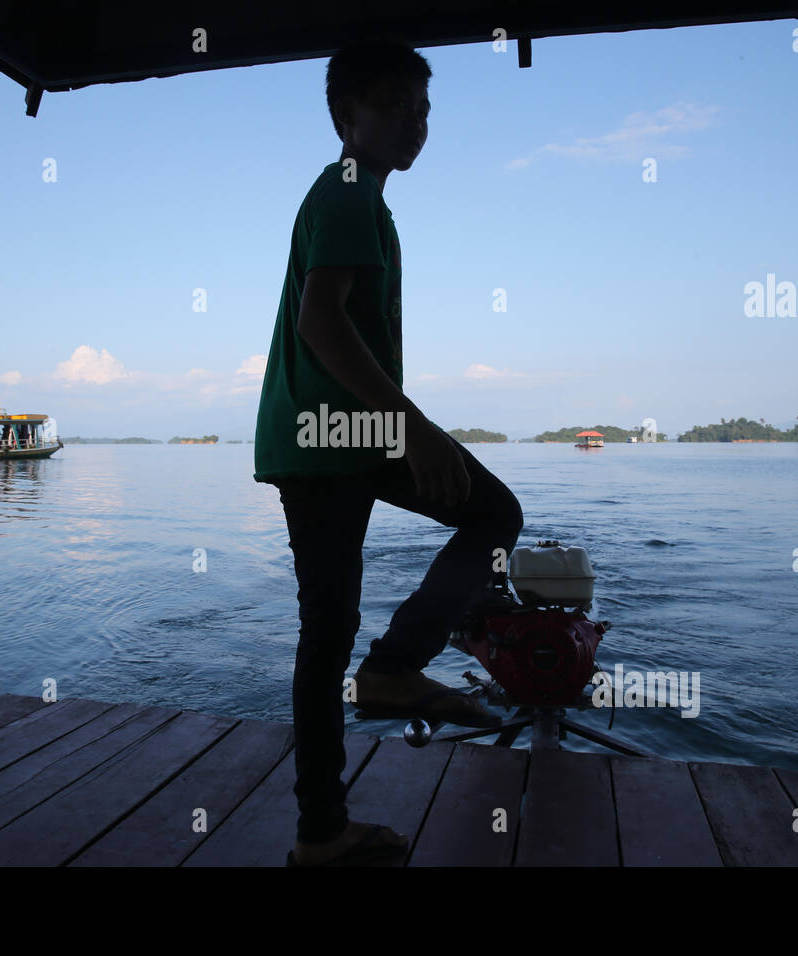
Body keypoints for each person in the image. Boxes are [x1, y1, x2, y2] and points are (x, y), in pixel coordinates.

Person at [253, 38, 523, 867]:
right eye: (399, 106)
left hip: (332, 437)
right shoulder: (343, 192)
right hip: (338, 437)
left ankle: (322, 830)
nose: (418, 123)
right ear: (347, 116)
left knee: (325, 630)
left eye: (425, 109)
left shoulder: (362, 200)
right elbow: (320, 322)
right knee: (495, 514)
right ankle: (396, 669)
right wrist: (411, 426)